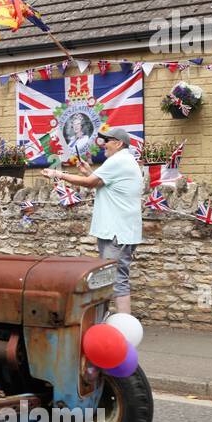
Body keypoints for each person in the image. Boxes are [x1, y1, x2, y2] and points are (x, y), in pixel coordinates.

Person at [42, 126, 141, 314]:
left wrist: (58, 174)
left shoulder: (118, 160)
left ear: (118, 143)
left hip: (116, 232)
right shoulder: (125, 160)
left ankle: (124, 327)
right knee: (116, 277)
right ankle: (120, 324)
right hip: (121, 231)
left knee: (115, 279)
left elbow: (90, 184)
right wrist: (89, 172)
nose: (103, 145)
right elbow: (101, 183)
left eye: (107, 141)